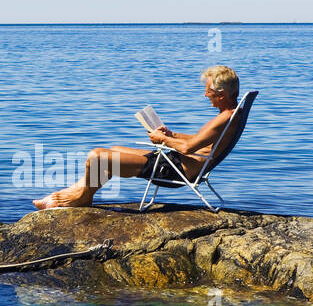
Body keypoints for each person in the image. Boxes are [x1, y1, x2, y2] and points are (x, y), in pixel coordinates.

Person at [33, 65, 241, 209]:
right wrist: (172, 134)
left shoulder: (224, 118)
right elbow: (198, 140)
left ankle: (81, 196)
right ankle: (78, 193)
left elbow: (187, 148)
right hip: (176, 162)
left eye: (208, 91)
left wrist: (163, 140)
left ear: (221, 94)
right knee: (113, 150)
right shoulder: (231, 114)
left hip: (175, 169)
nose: (205, 95)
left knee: (97, 156)